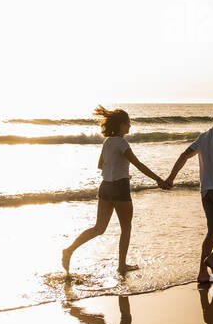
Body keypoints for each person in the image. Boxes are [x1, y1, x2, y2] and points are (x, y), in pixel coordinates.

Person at [62, 105, 168, 275]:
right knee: (126, 228)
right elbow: (138, 164)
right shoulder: (121, 142)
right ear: (120, 124)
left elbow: (99, 165)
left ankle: (69, 249)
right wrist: (159, 180)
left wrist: (116, 167)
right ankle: (122, 265)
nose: (130, 126)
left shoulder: (107, 142)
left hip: (105, 187)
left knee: (99, 228)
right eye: (127, 123)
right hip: (119, 188)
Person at [163, 100, 213, 284]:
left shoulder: (205, 136)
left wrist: (171, 178)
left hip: (206, 191)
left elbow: (184, 155)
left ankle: (202, 273)